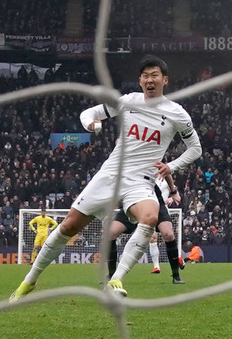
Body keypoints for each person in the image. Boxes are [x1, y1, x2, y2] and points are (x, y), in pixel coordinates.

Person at [10, 55, 201, 300]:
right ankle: (29, 281)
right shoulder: (128, 101)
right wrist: (90, 123)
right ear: (140, 80)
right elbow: (90, 112)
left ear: (165, 80)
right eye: (145, 76)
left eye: (155, 75)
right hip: (111, 173)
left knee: (150, 217)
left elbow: (196, 148)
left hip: (141, 181)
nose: (149, 80)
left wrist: (171, 166)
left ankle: (116, 279)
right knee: (69, 226)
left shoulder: (177, 113)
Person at [104, 172, 185, 284]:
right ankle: (111, 275)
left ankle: (176, 275)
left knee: (168, 234)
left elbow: (166, 171)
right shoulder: (125, 163)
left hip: (155, 200)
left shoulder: (150, 158)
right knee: (111, 233)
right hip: (133, 201)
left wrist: (173, 192)